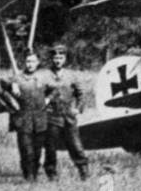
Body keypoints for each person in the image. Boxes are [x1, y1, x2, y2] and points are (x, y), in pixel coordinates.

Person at [43, 44, 90, 180]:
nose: (58, 60)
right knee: (50, 148)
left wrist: (78, 109)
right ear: (51, 59)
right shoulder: (45, 76)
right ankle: (52, 175)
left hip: (68, 117)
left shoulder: (71, 75)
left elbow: (81, 93)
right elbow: (39, 94)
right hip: (51, 117)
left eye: (61, 57)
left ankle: (84, 173)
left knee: (76, 145)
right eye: (55, 57)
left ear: (65, 59)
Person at [9, 51, 48, 181]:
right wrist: (13, 89)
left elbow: (54, 90)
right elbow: (6, 91)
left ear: (37, 63)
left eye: (32, 61)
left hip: (40, 119)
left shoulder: (43, 78)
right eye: (27, 61)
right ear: (24, 63)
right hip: (24, 118)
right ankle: (28, 175)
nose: (30, 64)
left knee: (37, 151)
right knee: (26, 150)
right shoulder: (17, 78)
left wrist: (48, 99)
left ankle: (34, 174)